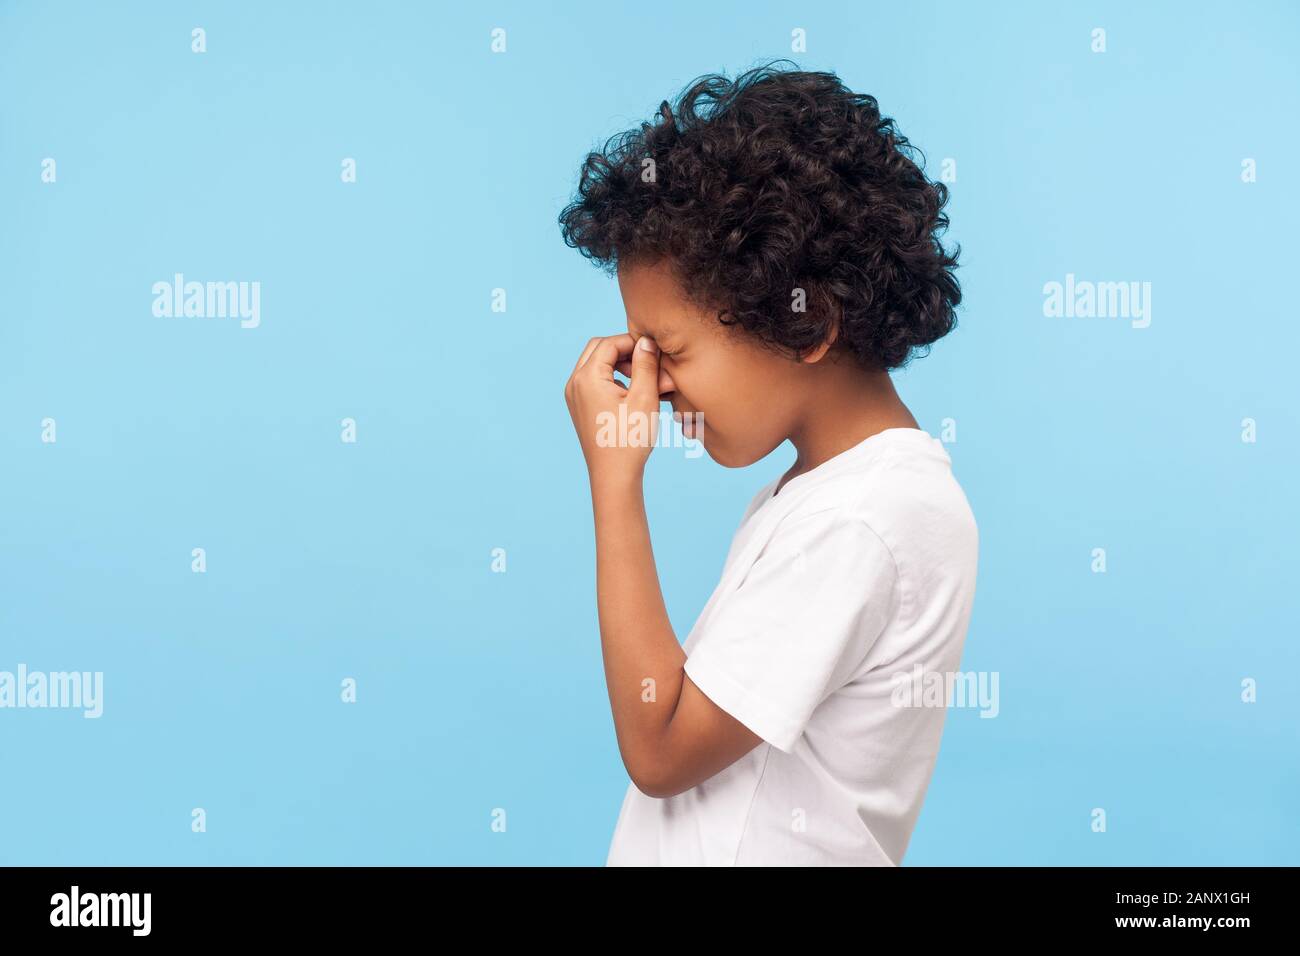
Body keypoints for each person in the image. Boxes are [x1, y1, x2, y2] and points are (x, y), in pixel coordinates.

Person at [559, 62, 978, 866]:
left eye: (670, 349)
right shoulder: (829, 495)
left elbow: (661, 749)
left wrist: (616, 483)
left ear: (806, 324)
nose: (651, 383)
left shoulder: (865, 519)